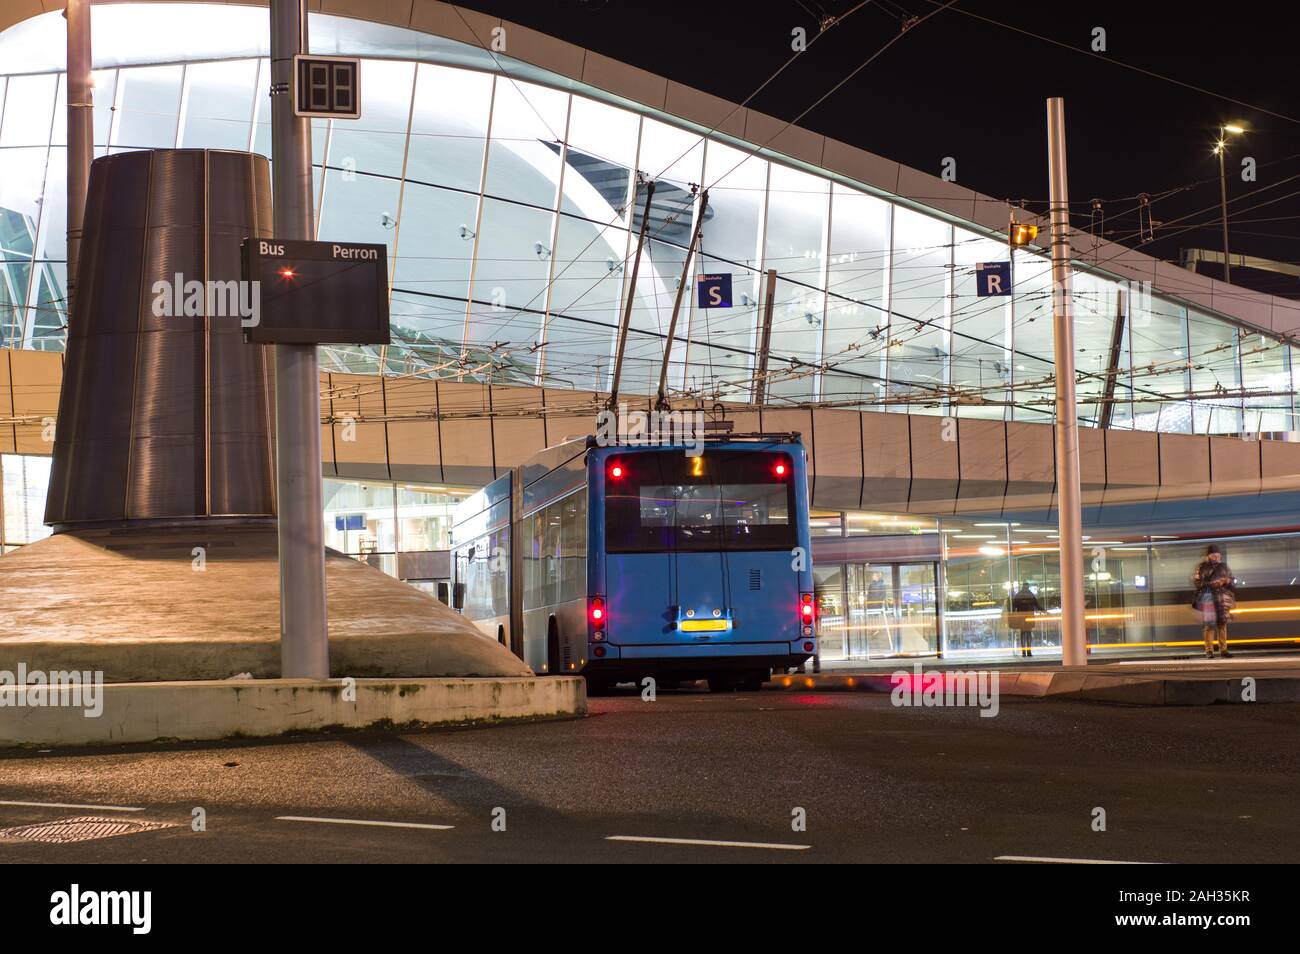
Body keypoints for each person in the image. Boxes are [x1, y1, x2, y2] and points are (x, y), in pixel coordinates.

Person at [1192, 545, 1235, 658]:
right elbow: (1197, 582)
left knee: (1222, 624)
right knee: (1209, 626)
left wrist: (1226, 581)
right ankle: (1209, 651)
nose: (1216, 557)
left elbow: (1233, 582)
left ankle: (1223, 650)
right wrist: (1212, 583)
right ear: (1209, 556)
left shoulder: (1224, 566)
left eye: (1218, 555)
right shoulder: (1201, 567)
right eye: (1214, 555)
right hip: (1208, 598)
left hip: (1222, 598)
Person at [1010, 582, 1043, 658]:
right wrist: (1044, 611)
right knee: (1028, 633)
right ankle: (1028, 651)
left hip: (1021, 617)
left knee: (1023, 633)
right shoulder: (1031, 595)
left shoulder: (1018, 595)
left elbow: (1013, 607)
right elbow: (1037, 605)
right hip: (1029, 616)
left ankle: (1024, 651)